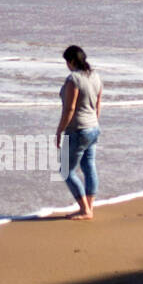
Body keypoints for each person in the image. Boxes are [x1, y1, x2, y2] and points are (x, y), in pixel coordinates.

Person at [55, 45, 102, 220]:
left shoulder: (73, 79)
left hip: (77, 130)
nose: (67, 65)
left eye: (67, 62)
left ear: (72, 61)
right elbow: (97, 105)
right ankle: (89, 207)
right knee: (89, 166)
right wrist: (93, 124)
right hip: (93, 128)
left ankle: (84, 210)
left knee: (66, 171)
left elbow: (70, 109)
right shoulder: (95, 76)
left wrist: (59, 131)